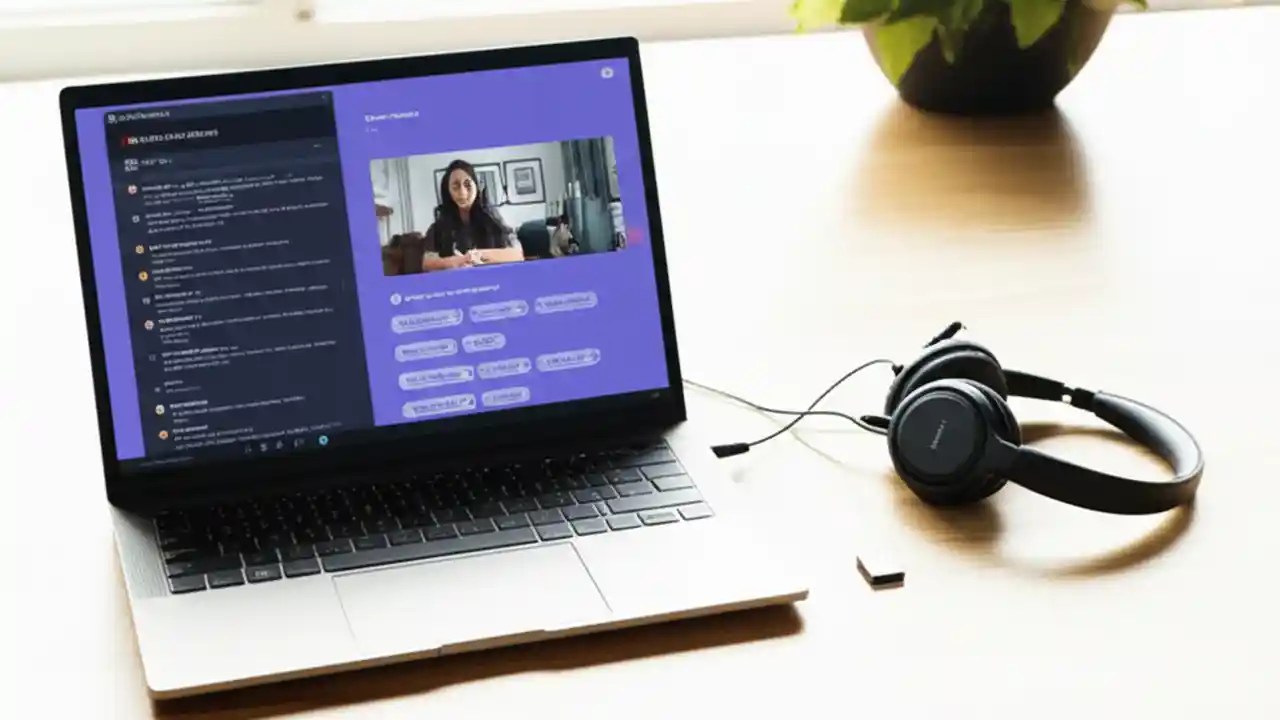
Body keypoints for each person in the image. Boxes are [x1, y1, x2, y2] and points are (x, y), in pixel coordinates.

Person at [421, 160, 523, 271]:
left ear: (477, 186)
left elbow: (517, 255)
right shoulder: (439, 226)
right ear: (448, 191)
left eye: (467, 185)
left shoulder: (492, 219)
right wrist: (455, 262)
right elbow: (426, 263)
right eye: (455, 187)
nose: (462, 193)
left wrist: (478, 256)